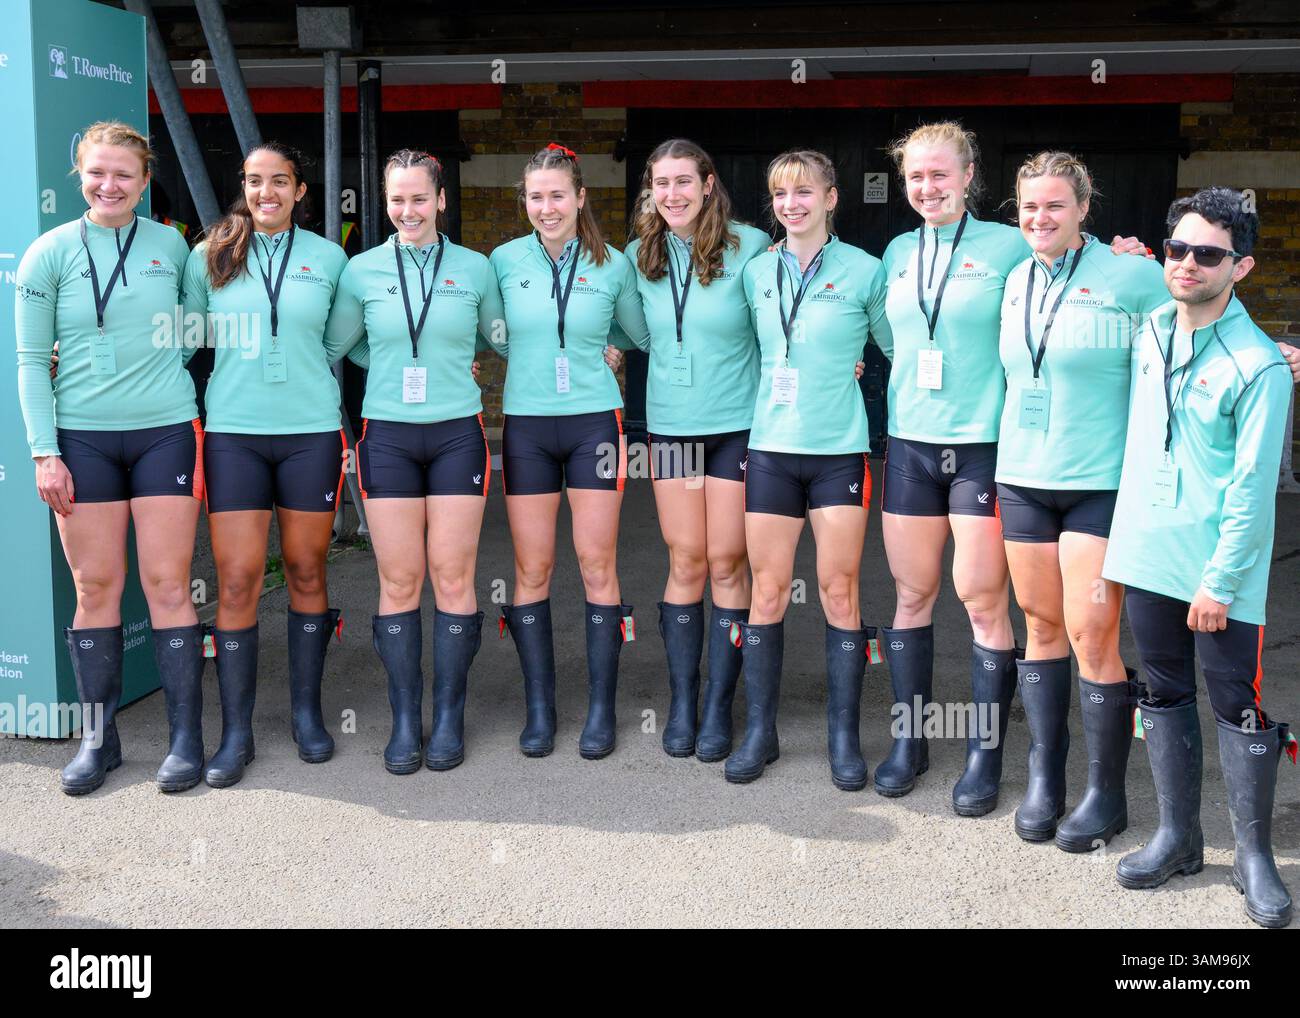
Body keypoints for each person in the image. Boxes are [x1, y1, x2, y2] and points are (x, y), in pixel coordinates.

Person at [876, 123, 1150, 813]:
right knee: (911, 596)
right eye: (916, 176)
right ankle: (911, 742)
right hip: (910, 441)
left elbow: (1087, 278)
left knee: (982, 598)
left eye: (940, 174)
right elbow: (885, 329)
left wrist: (1128, 254)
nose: (928, 187)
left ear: (970, 175)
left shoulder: (1007, 245)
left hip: (985, 447)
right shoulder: (898, 251)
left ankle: (985, 755)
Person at [1105, 188, 1298, 928]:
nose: (1187, 263)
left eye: (1208, 253)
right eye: (1177, 248)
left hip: (1220, 576)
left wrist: (1218, 583)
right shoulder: (1151, 327)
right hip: (1149, 559)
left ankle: (1253, 857)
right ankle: (1179, 837)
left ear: (1240, 266)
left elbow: (1254, 493)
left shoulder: (1259, 365)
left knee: (1237, 707)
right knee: (1161, 696)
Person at [15, 121, 205, 794]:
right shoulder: (49, 253)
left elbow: (192, 332)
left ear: (145, 180)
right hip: (81, 441)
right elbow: (32, 362)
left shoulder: (172, 247)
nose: (110, 184)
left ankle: (187, 739)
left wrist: (150, 372)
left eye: (123, 174)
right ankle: (99, 741)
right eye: (97, 172)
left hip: (164, 433)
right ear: (80, 174)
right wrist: (45, 454)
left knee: (166, 585)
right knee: (96, 588)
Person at [994, 152, 1170, 846]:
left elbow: (1193, 327)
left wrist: (1269, 352)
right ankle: (1046, 776)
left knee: (1092, 634)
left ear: (1083, 210)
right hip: (1023, 475)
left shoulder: (1132, 274)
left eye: (1055, 206)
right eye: (1030, 207)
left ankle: (1105, 793)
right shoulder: (1012, 278)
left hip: (1099, 482)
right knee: (1039, 626)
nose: (1040, 218)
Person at [324, 149, 506, 774]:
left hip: (458, 434)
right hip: (389, 439)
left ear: (441, 200)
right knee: (399, 581)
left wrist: (452, 363)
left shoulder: (476, 268)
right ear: (386, 201)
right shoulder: (361, 270)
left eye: (419, 199)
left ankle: (449, 718)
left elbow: (492, 337)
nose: (408, 210)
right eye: (397, 200)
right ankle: (406, 721)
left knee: (454, 579)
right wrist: (400, 368)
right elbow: (340, 345)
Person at [181, 142, 349, 788]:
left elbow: (342, 338)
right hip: (235, 435)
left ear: (301, 191)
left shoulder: (329, 259)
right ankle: (237, 731)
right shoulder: (211, 255)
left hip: (309, 432)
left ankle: (307, 714)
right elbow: (185, 337)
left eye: (280, 182)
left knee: (307, 568)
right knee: (238, 579)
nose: (267, 193)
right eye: (255, 182)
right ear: (244, 188)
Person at [732, 149, 893, 788]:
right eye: (780, 194)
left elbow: (899, 346)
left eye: (805, 192)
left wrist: (856, 372)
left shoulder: (865, 270)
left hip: (837, 452)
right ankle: (759, 732)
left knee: (837, 590)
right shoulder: (756, 272)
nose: (791, 204)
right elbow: (737, 348)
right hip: (770, 448)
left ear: (831, 198)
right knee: (766, 590)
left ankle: (844, 739)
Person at [490, 144, 651, 760]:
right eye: (536, 196)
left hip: (594, 424)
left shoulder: (611, 264)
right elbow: (493, 332)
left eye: (558, 195)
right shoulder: (502, 261)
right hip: (528, 425)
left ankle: (602, 712)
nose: (547, 207)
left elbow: (636, 332)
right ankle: (540, 710)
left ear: (581, 197)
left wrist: (605, 348)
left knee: (595, 563)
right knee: (532, 569)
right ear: (525, 201)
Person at [623, 138, 770, 760]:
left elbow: (786, 320)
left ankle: (719, 706)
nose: (673, 195)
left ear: (709, 184)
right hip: (673, 428)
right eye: (661, 184)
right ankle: (684, 702)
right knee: (686, 559)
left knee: (728, 560)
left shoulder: (752, 246)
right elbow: (627, 327)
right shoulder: (637, 255)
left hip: (737, 424)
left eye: (685, 182)